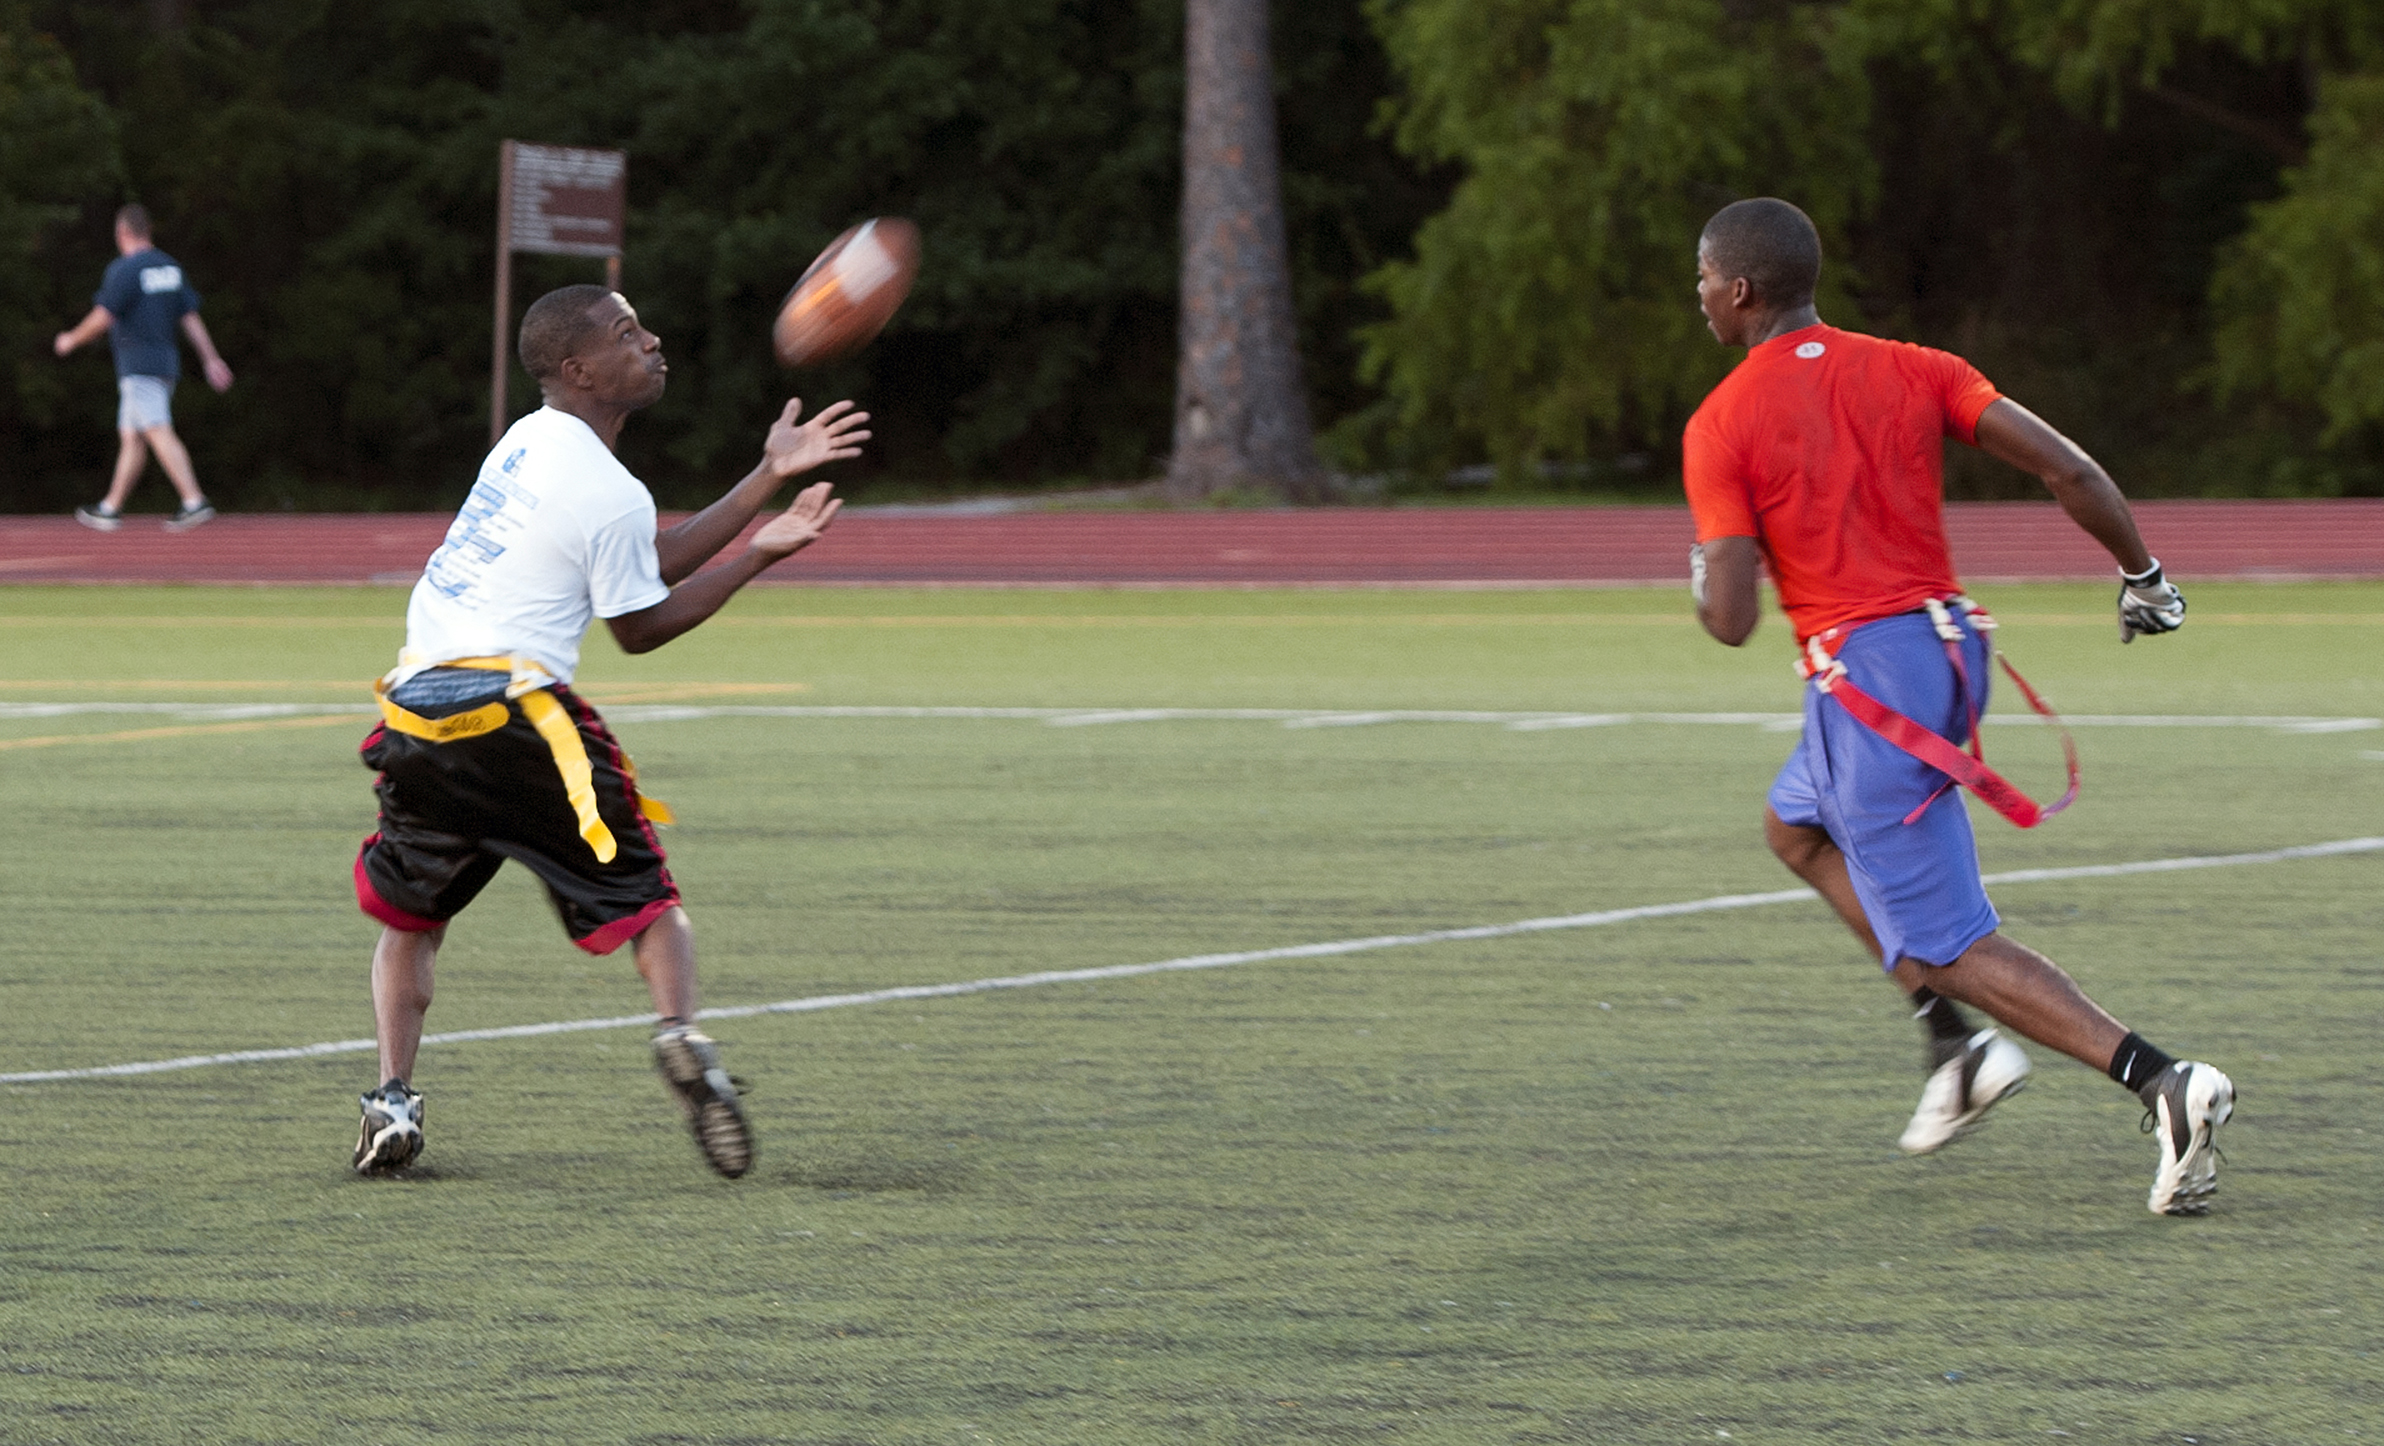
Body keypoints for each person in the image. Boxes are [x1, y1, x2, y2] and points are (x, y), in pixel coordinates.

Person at [1682, 198, 2234, 1216]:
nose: (1701, 300)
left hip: (1866, 683)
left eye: (1705, 284)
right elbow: (2063, 466)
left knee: (1946, 941)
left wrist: (1709, 556)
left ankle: (2161, 1083)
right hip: (1946, 650)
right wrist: (2141, 576)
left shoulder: (1719, 422)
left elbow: (1725, 621)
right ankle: (1955, 1047)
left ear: (1742, 291)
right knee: (1793, 829)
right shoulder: (1914, 364)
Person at [348, 282, 869, 1178]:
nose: (654, 342)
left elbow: (637, 563)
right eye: (631, 334)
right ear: (579, 368)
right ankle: (682, 1038)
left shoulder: (521, 446)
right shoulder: (610, 488)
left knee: (411, 917)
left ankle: (392, 1098)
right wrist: (761, 555)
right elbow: (639, 623)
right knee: (651, 907)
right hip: (520, 717)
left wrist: (765, 479)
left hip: (415, 715)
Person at [53, 204, 234, 532]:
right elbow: (190, 318)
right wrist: (211, 358)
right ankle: (111, 507)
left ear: (122, 233)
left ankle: (194, 500)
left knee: (156, 429)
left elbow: (103, 317)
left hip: (138, 366)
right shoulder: (170, 268)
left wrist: (71, 339)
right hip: (166, 365)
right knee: (133, 437)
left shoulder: (126, 269)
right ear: (148, 230)